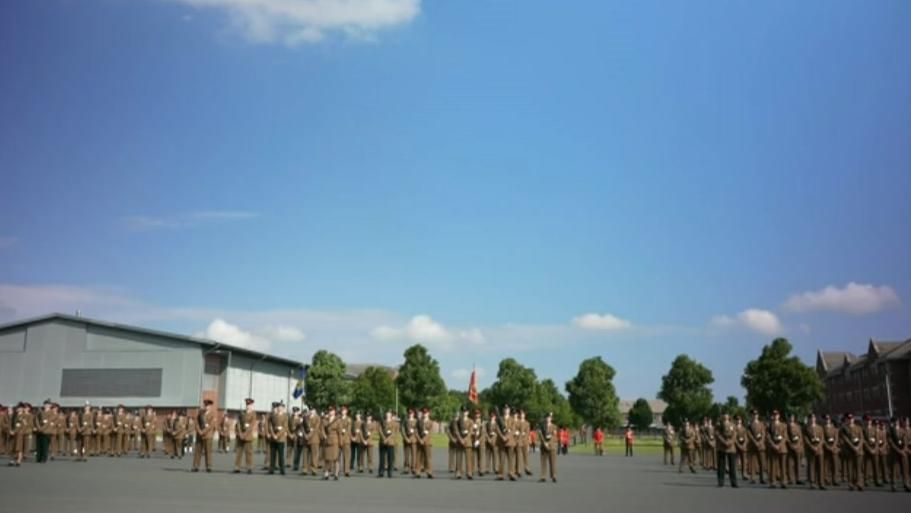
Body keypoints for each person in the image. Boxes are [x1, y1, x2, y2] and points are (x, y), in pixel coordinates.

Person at [840, 413, 864, 491]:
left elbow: (861, 439)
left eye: (851, 419)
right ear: (846, 420)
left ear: (853, 419)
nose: (850, 420)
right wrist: (854, 447)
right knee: (850, 468)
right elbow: (846, 440)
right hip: (849, 450)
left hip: (858, 450)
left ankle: (859, 483)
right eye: (848, 419)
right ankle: (851, 484)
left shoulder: (859, 428)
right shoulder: (844, 429)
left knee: (858, 468)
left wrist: (858, 447)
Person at [192, 399, 217, 472]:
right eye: (205, 405)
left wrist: (203, 432)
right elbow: (196, 422)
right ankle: (195, 466)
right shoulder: (200, 413)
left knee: (208, 451)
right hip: (199, 435)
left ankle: (208, 466)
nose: (206, 407)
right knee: (198, 451)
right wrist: (199, 431)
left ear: (210, 406)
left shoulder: (212, 414)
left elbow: (211, 425)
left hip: (208, 435)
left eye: (208, 406)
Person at [886, 417, 909, 492]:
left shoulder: (902, 430)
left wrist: (904, 449)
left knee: (905, 468)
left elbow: (905, 440)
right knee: (894, 469)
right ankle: (894, 485)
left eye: (896, 421)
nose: (896, 423)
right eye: (894, 422)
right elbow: (891, 442)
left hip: (903, 452)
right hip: (895, 452)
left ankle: (906, 484)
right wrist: (899, 450)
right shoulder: (890, 431)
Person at [234, 398, 256, 474]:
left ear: (252, 405)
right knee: (239, 452)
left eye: (249, 405)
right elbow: (238, 423)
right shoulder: (242, 413)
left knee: (249, 453)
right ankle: (237, 467)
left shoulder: (253, 414)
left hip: (248, 436)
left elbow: (251, 426)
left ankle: (249, 467)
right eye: (247, 404)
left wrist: (244, 434)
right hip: (241, 436)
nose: (248, 406)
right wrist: (240, 433)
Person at [495, 405, 517, 481]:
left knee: (510, 458)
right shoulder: (499, 419)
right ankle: (501, 474)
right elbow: (497, 429)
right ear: (503, 410)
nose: (506, 410)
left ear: (509, 410)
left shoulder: (512, 420)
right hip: (501, 441)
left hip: (510, 441)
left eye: (507, 409)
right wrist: (502, 437)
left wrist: (507, 437)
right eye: (505, 409)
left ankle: (511, 473)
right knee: (501, 458)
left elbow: (513, 429)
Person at [267, 401, 289, 476]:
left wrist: (278, 435)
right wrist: (273, 434)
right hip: (273, 437)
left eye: (281, 407)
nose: (280, 408)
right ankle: (271, 468)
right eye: (279, 407)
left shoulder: (285, 416)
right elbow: (270, 425)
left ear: (283, 408)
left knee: (281, 455)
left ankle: (282, 469)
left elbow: (285, 427)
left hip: (281, 438)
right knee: (272, 454)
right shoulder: (273, 415)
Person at [767, 410, 787, 489]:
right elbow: (768, 437)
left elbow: (785, 437)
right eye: (774, 415)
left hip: (782, 447)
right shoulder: (770, 425)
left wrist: (779, 445)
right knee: (773, 466)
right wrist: (773, 445)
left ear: (779, 416)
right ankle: (773, 482)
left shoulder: (783, 425)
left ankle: (783, 482)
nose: (775, 416)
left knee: (783, 466)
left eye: (777, 415)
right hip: (773, 447)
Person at [716, 414, 738, 488]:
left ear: (729, 418)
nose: (726, 419)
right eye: (724, 418)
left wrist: (730, 442)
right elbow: (717, 434)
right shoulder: (719, 425)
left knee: (732, 466)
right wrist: (723, 442)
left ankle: (734, 482)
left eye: (727, 418)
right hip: (722, 446)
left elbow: (735, 434)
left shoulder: (733, 425)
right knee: (721, 466)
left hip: (731, 447)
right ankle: (720, 482)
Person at [804, 413, 825, 490]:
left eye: (813, 418)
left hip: (819, 449)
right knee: (811, 466)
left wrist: (818, 446)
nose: (812, 419)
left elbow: (822, 438)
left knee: (820, 466)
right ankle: (812, 482)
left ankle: (821, 483)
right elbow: (806, 439)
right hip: (811, 449)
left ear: (815, 419)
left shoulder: (820, 428)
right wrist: (812, 447)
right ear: (809, 419)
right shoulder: (806, 428)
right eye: (811, 418)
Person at [746, 409, 766, 484]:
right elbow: (749, 434)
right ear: (751, 415)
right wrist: (755, 442)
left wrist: (760, 442)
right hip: (752, 445)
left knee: (761, 462)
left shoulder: (761, 424)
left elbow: (763, 433)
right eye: (753, 415)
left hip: (761, 445)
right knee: (752, 462)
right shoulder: (749, 424)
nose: (755, 416)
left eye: (756, 414)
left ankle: (762, 478)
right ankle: (753, 478)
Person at [321, 405, 340, 480]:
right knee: (327, 458)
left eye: (332, 411)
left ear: (334, 412)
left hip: (335, 440)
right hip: (327, 440)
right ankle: (326, 474)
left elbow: (339, 431)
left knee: (335, 458)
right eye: (329, 411)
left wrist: (340, 442)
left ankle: (336, 474)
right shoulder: (325, 420)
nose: (330, 412)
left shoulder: (338, 420)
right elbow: (322, 428)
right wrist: (324, 435)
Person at [538, 411, 558, 483]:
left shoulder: (554, 426)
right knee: (543, 462)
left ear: (551, 419)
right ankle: (543, 476)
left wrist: (548, 443)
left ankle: (554, 476)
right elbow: (540, 436)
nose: (548, 419)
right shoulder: (542, 426)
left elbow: (554, 436)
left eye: (549, 418)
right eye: (547, 417)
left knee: (552, 462)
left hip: (552, 446)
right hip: (544, 446)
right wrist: (544, 443)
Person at [378, 410, 398, 478]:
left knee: (390, 458)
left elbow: (394, 432)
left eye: (389, 415)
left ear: (391, 415)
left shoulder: (395, 423)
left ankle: (390, 472)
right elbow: (380, 430)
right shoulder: (382, 421)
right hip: (382, 442)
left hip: (390, 442)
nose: (388, 416)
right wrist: (384, 438)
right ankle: (381, 472)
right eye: (387, 415)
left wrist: (387, 439)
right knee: (382, 458)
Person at [862, 415, 881, 487]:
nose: (868, 421)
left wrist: (875, 448)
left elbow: (877, 439)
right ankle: (866, 480)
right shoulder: (863, 429)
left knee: (876, 465)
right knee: (866, 466)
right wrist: (869, 449)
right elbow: (863, 440)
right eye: (867, 420)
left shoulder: (874, 429)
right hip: (867, 449)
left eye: (869, 420)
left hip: (874, 449)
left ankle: (877, 480)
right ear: (864, 421)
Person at [414, 407, 433, 478]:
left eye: (426, 413)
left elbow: (430, 433)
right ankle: (417, 472)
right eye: (423, 413)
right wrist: (419, 439)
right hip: (419, 442)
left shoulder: (431, 422)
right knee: (418, 457)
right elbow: (416, 431)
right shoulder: (419, 421)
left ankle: (429, 472)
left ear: (429, 413)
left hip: (427, 442)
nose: (425, 414)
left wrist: (423, 440)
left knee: (428, 457)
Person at [786, 413, 804, 485]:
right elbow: (786, 436)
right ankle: (790, 479)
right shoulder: (786, 426)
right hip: (790, 446)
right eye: (790, 417)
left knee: (797, 463)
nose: (791, 419)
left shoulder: (798, 426)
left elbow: (800, 436)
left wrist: (798, 444)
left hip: (797, 446)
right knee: (790, 463)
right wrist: (790, 444)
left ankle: (798, 478)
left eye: (792, 417)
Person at [34, 399, 55, 463]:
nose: (46, 406)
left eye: (48, 404)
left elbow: (48, 422)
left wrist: (42, 428)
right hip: (39, 430)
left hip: (47, 431)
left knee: (45, 446)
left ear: (50, 405)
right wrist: (38, 427)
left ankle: (44, 458)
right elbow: (36, 419)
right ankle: (38, 458)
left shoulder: (51, 413)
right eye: (45, 404)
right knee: (39, 445)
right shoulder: (41, 412)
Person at [822, 414, 840, 487]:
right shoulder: (822, 428)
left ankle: (835, 479)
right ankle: (826, 479)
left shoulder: (835, 429)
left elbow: (836, 438)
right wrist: (827, 446)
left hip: (834, 448)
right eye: (826, 419)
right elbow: (822, 439)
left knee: (834, 465)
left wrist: (833, 446)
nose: (827, 421)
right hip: (826, 448)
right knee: (826, 465)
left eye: (828, 419)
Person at [304, 407, 322, 476]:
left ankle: (314, 469)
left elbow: (316, 428)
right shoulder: (306, 417)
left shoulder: (318, 418)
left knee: (314, 455)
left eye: (313, 410)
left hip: (314, 438)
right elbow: (303, 426)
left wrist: (308, 436)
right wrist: (305, 435)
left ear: (315, 411)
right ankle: (305, 469)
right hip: (306, 438)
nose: (311, 411)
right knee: (305, 455)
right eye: (310, 410)